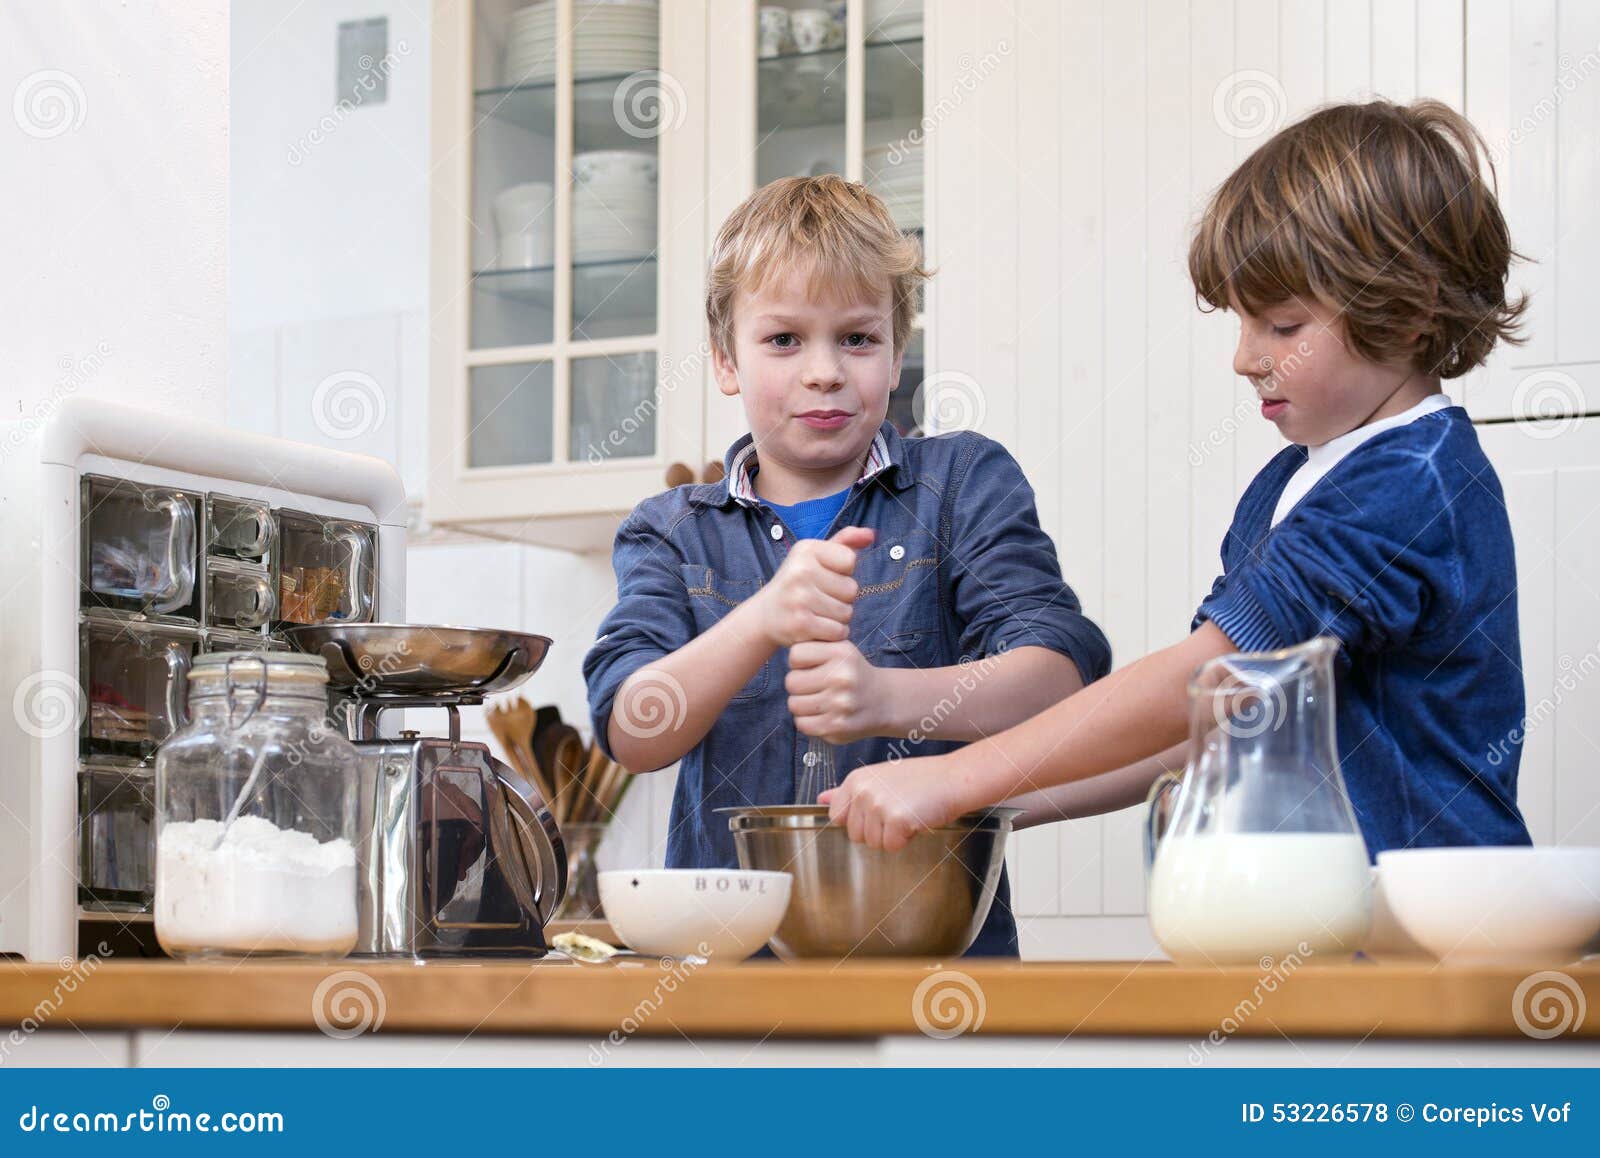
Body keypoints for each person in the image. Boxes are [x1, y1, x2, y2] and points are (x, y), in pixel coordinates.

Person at [821, 100, 1534, 860]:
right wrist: (991, 803)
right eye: (1241, 322)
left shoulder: (1407, 486)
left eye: (1283, 327)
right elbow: (1213, 723)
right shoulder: (1297, 480)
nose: (1245, 357)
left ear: (1411, 309)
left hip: (1416, 936)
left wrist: (955, 778)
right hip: (1320, 928)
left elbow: (1209, 678)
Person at [584, 175, 1112, 956]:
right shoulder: (669, 531)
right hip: (727, 982)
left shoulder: (963, 485)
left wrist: (886, 698)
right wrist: (761, 621)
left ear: (898, 355)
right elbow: (634, 730)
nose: (824, 370)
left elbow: (1063, 679)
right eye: (784, 339)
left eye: (857, 338)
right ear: (726, 359)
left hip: (937, 963)